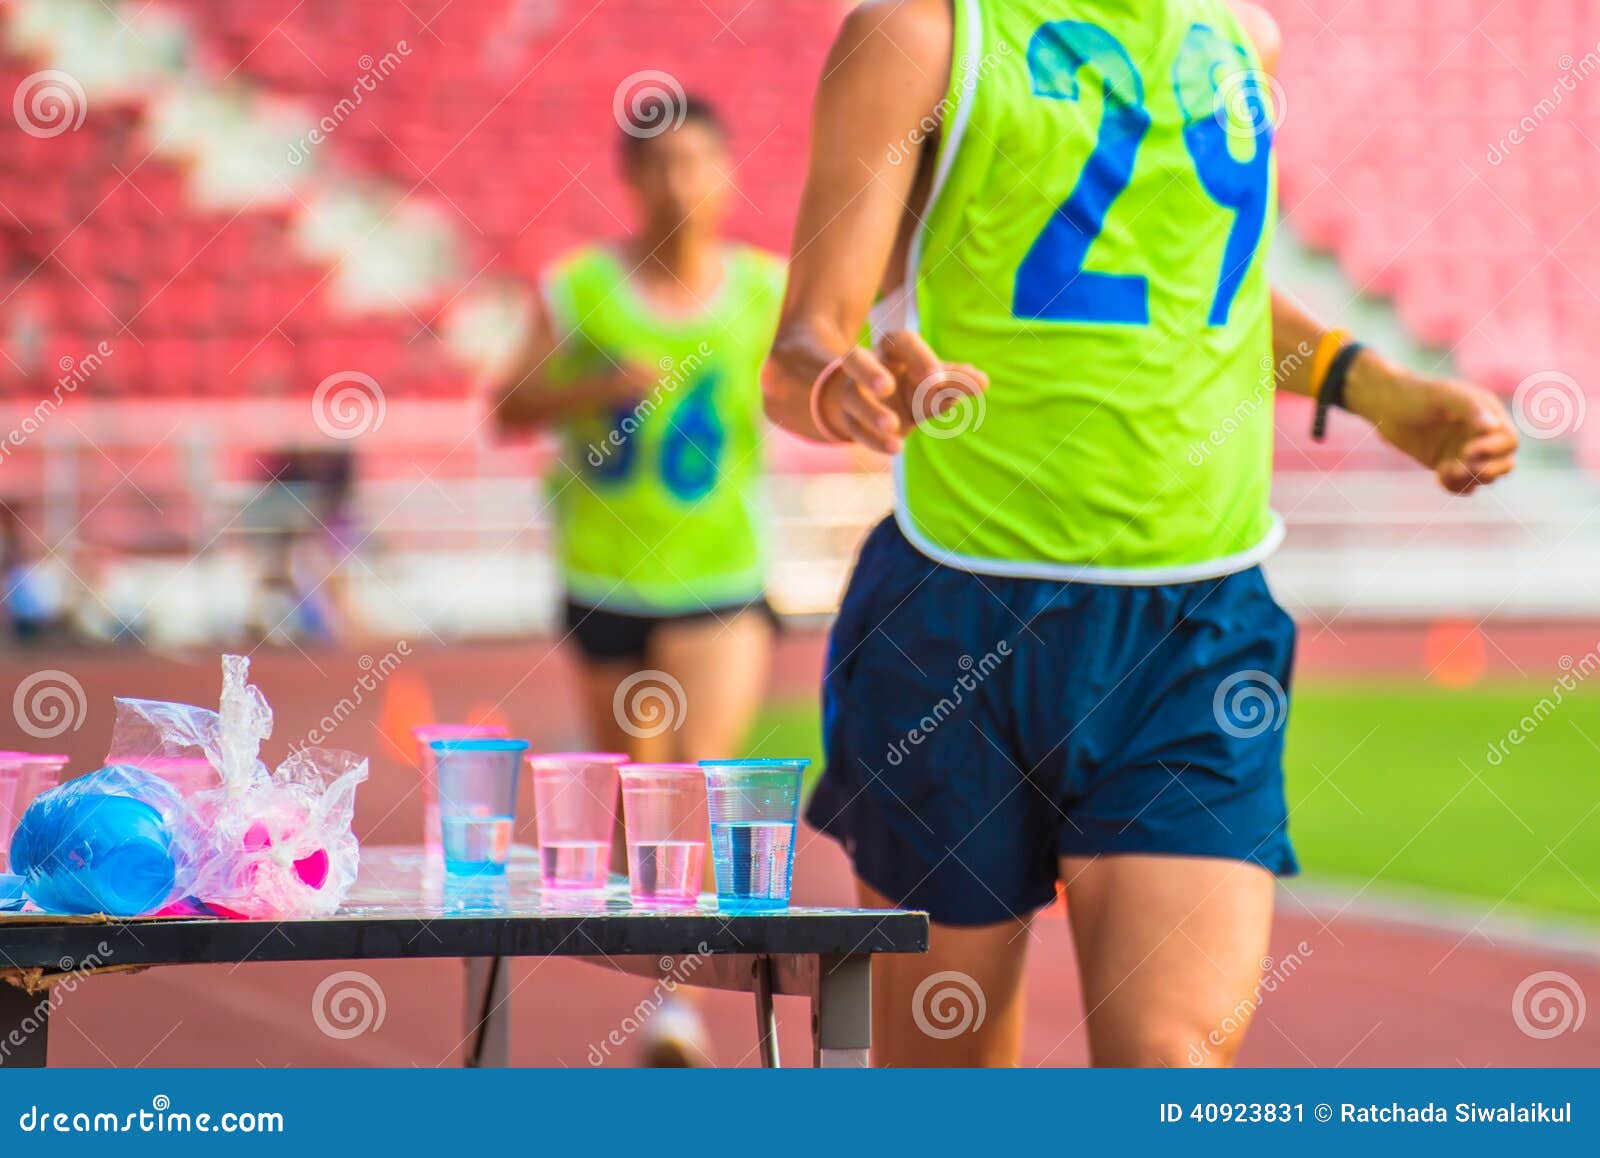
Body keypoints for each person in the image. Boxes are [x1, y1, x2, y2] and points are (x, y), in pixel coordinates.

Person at [763, 0, 1518, 1067]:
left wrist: (1372, 386)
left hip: (1196, 625)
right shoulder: (922, 33)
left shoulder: (1244, 38)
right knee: (944, 1084)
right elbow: (802, 344)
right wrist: (842, 383)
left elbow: (1204, 290)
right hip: (956, 613)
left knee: (1170, 1072)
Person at [494, 93, 785, 1065]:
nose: (678, 183)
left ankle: (678, 1007)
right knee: (633, 786)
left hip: (719, 572)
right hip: (604, 573)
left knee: (695, 772)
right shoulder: (580, 290)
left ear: (727, 174)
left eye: (696, 161)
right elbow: (507, 405)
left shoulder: (764, 290)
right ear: (628, 179)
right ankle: (669, 987)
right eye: (658, 164)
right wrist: (593, 387)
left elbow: (812, 382)